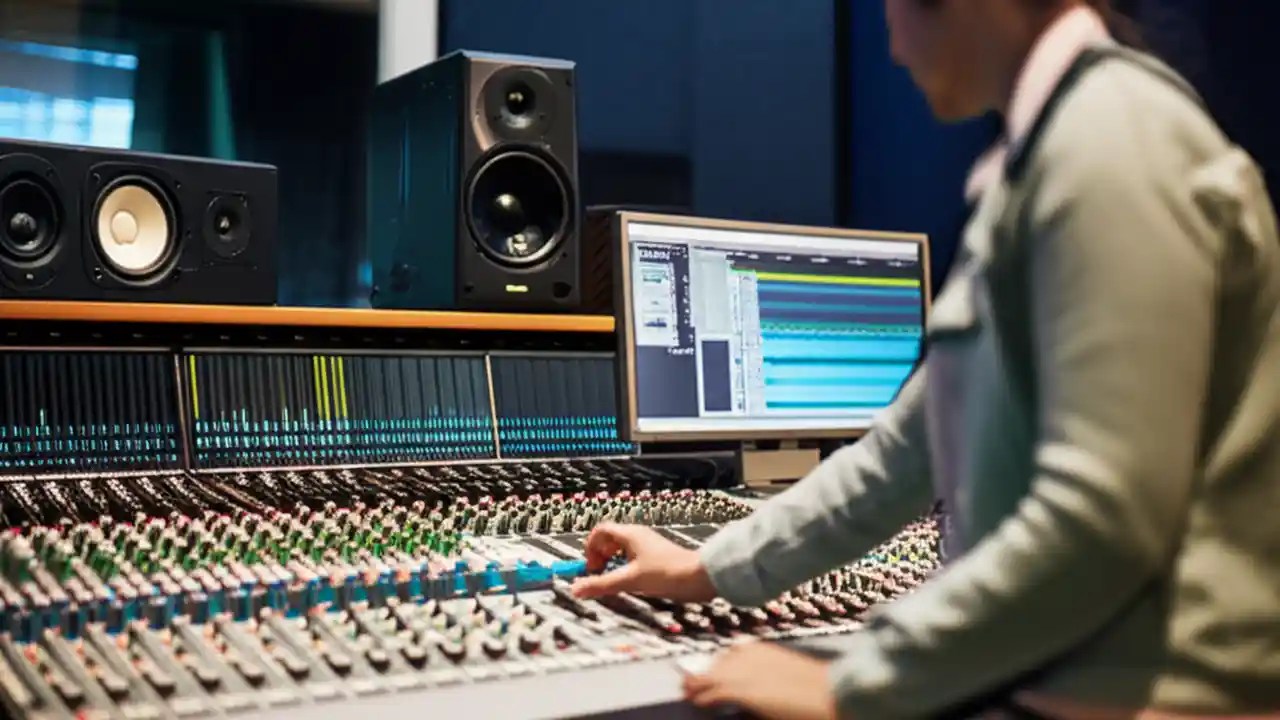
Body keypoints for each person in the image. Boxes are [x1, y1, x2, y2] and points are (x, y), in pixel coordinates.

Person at [571, 0, 1280, 718]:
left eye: (896, 5)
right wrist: (710, 566)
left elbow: (1102, 515)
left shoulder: (1112, 145)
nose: (892, 41)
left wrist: (854, 686)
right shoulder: (1045, 160)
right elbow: (906, 455)